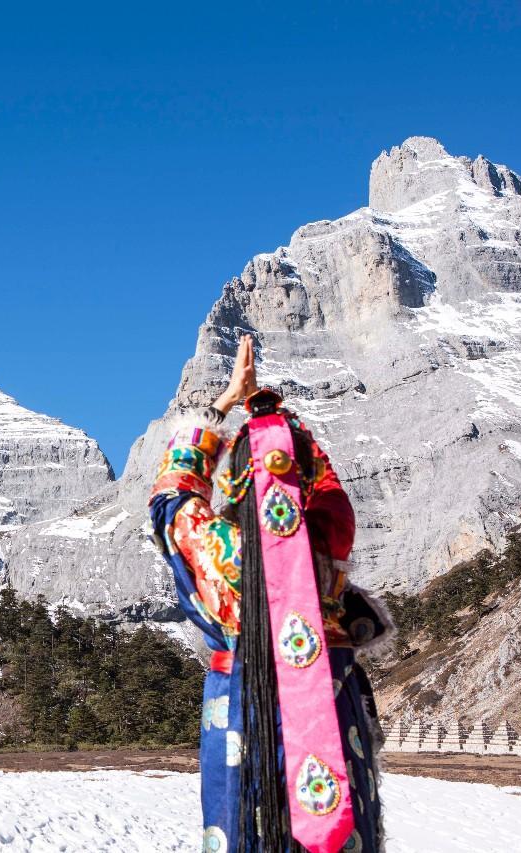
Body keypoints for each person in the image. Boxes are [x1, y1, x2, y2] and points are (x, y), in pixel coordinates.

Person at [148, 334, 391, 853]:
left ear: (234, 487)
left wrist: (230, 403)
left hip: (243, 726)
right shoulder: (323, 557)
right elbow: (331, 499)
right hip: (332, 723)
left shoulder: (218, 553)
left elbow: (173, 496)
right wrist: (273, 415)